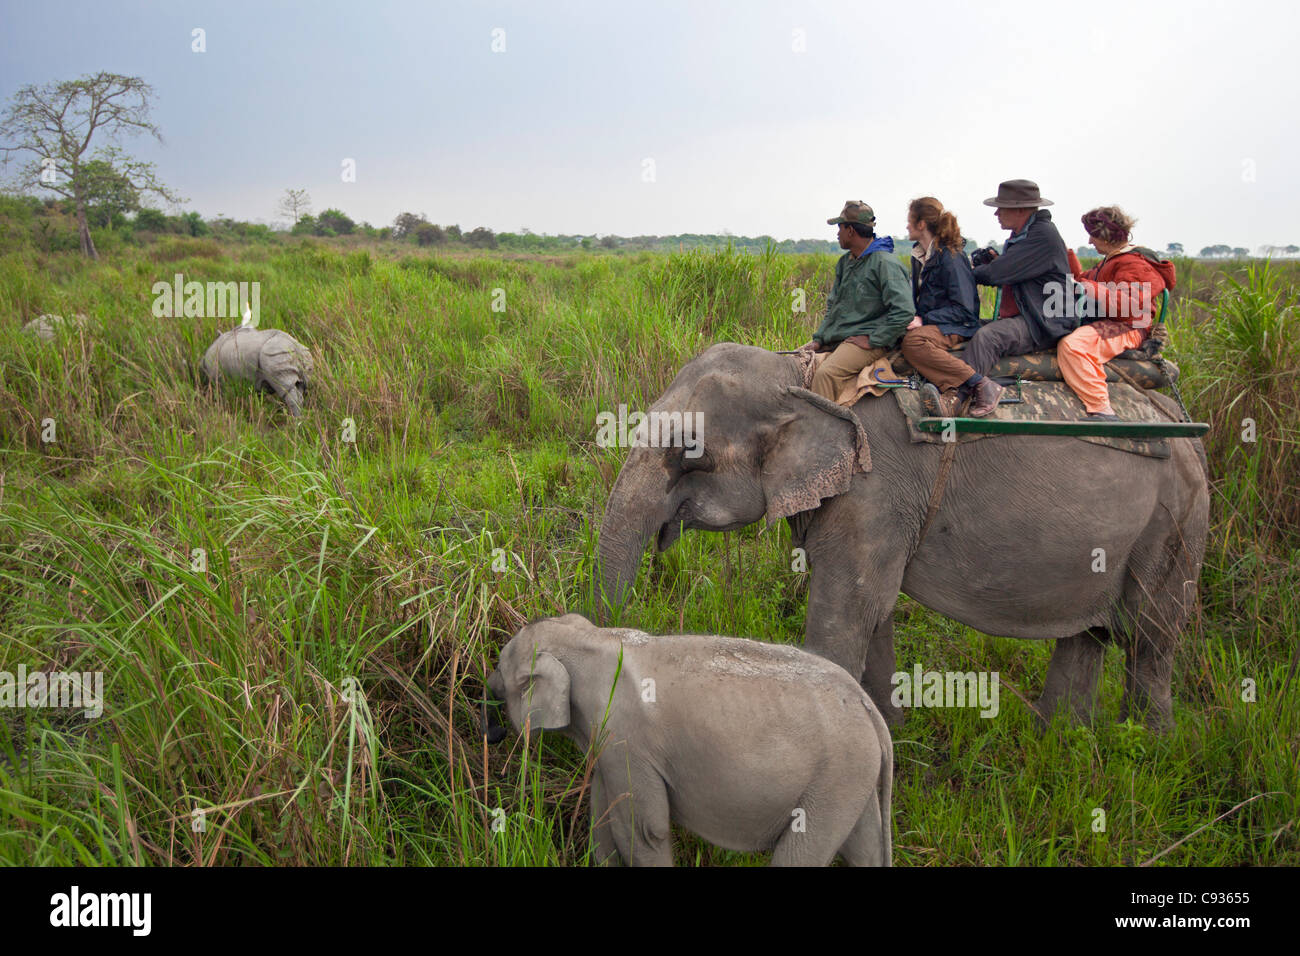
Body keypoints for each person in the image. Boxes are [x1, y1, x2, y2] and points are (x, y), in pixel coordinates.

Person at [962, 179, 1074, 416]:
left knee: (987, 337)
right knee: (968, 327)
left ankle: (960, 397)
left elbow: (998, 273)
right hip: (1031, 314)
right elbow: (1008, 269)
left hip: (1043, 321)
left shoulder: (1042, 235)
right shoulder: (1024, 234)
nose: (996, 213)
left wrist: (964, 274)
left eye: (1001, 207)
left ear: (1020, 209)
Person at [1057, 206, 1177, 420]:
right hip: (1114, 323)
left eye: (1093, 235)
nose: (1090, 242)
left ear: (1106, 235)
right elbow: (1084, 278)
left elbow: (1130, 304)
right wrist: (1064, 253)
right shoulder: (1113, 259)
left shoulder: (1136, 265)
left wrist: (1087, 287)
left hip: (1129, 327)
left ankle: (1101, 409)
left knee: (1074, 345)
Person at [799, 200, 914, 405]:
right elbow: (833, 307)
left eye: (840, 228)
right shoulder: (846, 263)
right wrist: (818, 339)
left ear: (850, 230)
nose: (837, 234)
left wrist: (873, 339)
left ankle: (823, 433)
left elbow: (904, 311)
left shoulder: (885, 264)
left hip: (867, 339)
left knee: (826, 374)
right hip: (844, 336)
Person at [898, 197, 980, 418]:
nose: (906, 226)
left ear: (921, 224)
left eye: (910, 220)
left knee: (914, 341)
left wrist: (924, 320)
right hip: (938, 323)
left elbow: (965, 310)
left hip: (956, 326)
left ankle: (978, 383)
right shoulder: (920, 256)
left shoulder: (951, 258)